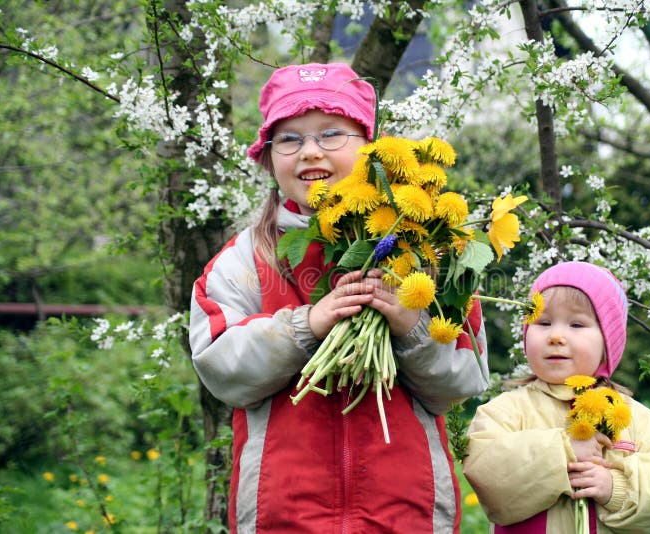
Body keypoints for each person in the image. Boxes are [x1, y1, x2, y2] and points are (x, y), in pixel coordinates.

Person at [189, 62, 489, 533]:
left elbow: (464, 379)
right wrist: (305, 326)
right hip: (283, 513)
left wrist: (410, 328)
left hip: (405, 509)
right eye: (289, 139)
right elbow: (222, 369)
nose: (310, 151)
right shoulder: (243, 261)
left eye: (331, 134)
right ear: (268, 158)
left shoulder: (426, 250)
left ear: (369, 149)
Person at [463, 261, 650, 533]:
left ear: (608, 342)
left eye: (577, 324)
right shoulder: (506, 411)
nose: (556, 336)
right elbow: (487, 474)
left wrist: (614, 488)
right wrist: (562, 452)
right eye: (543, 322)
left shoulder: (635, 418)